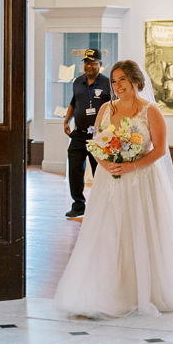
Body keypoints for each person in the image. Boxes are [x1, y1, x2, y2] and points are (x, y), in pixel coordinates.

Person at [55, 59, 173, 318]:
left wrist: (132, 165)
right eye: (114, 81)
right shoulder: (106, 108)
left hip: (141, 180)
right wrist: (105, 162)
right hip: (109, 179)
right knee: (108, 231)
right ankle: (107, 289)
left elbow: (160, 150)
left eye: (123, 80)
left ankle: (143, 291)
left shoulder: (150, 111)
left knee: (139, 230)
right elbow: (96, 143)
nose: (117, 85)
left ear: (136, 82)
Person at [62, 48, 111, 219]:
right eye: (86, 62)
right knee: (74, 169)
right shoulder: (77, 82)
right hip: (79, 133)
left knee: (100, 171)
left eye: (93, 62)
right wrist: (66, 120)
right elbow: (73, 102)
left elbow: (114, 107)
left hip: (99, 136)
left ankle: (101, 206)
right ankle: (78, 205)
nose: (89, 66)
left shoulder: (107, 83)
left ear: (100, 64)